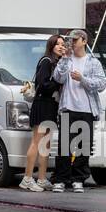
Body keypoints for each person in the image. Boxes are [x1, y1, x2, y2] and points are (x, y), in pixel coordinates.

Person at [49, 29, 106, 193]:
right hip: (68, 107)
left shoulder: (93, 62)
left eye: (75, 40)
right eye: (71, 40)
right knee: (64, 146)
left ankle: (78, 180)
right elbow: (57, 78)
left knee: (83, 147)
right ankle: (61, 179)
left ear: (84, 41)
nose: (72, 43)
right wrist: (65, 59)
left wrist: (82, 79)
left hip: (87, 109)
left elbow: (102, 84)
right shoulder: (66, 59)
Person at [20, 34, 65, 191]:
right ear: (51, 46)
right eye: (57, 44)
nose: (61, 47)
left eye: (62, 44)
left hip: (51, 106)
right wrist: (57, 82)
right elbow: (43, 84)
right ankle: (27, 179)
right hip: (41, 104)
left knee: (45, 144)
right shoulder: (46, 61)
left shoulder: (56, 63)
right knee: (36, 142)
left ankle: (41, 178)